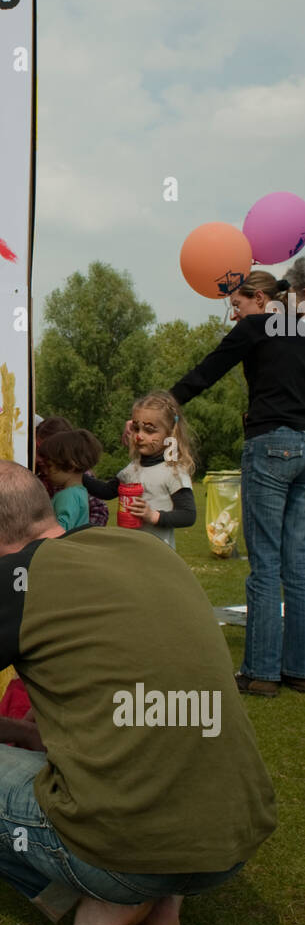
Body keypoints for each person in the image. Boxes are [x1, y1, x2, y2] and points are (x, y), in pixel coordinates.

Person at [0, 461, 276, 925]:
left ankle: (102, 897)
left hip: (122, 849)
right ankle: (164, 891)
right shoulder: (145, 550)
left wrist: (16, 732)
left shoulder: (12, 579)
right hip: (231, 844)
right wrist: (28, 731)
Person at [170, 264, 305, 697]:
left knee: (264, 564)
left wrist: (160, 404)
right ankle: (298, 670)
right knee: (298, 566)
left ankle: (261, 672)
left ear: (261, 301)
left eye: (236, 304)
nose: (234, 316)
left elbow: (206, 372)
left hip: (270, 445)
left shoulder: (259, 327)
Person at [82, 391, 197, 548]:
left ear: (170, 433)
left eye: (149, 430)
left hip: (158, 554)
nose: (139, 436)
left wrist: (153, 516)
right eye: (136, 428)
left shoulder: (173, 471)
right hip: (130, 549)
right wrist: (77, 475)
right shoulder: (132, 469)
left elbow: (188, 515)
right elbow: (106, 491)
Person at [36, 416, 109, 527]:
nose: (39, 458)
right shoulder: (78, 490)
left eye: (50, 463)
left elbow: (62, 530)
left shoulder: (69, 495)